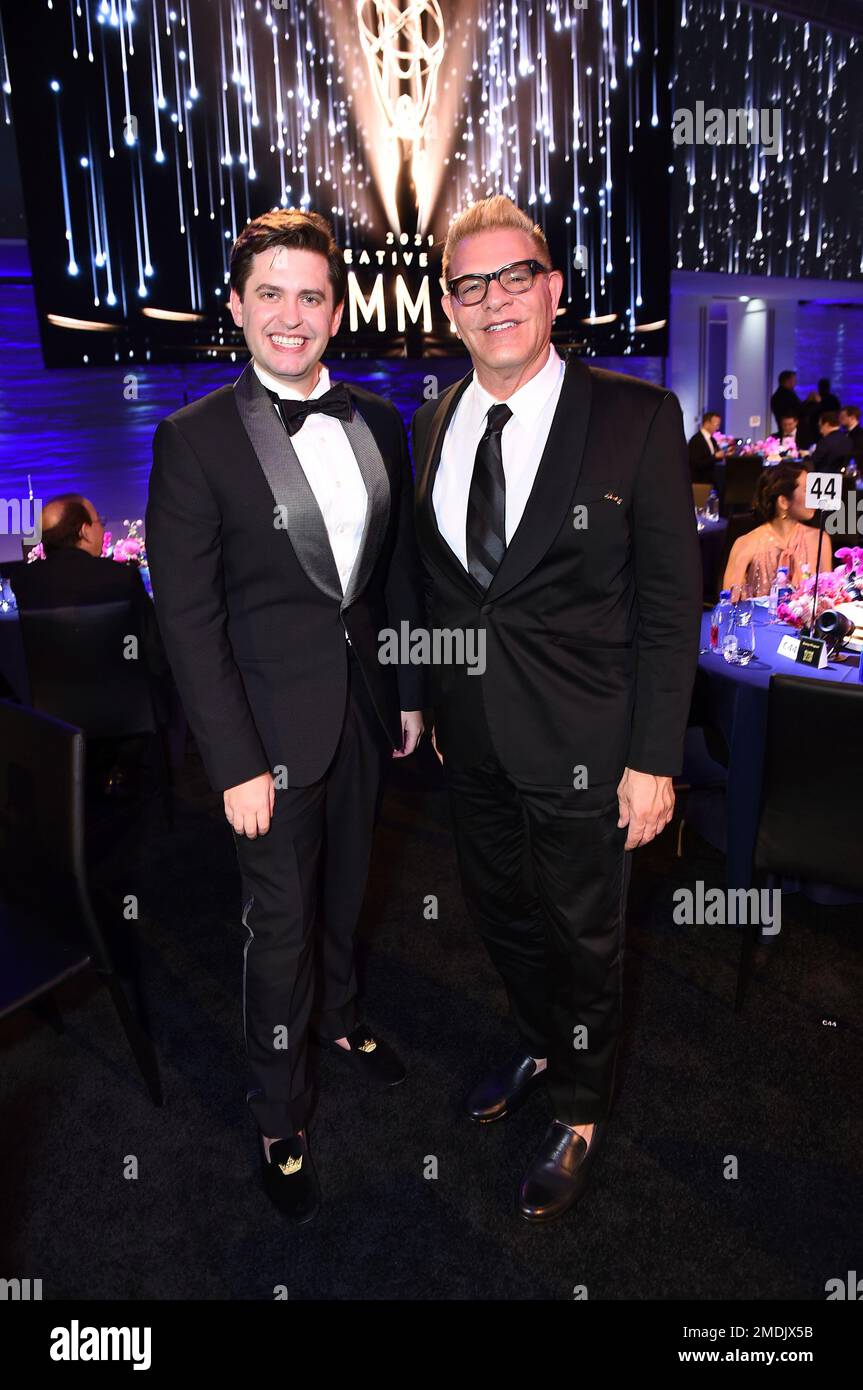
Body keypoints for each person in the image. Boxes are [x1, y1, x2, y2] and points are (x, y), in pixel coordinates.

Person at [411, 196, 701, 1223]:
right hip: (472, 742)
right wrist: (428, 697)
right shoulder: (434, 421)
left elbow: (670, 606)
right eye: (469, 284)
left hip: (590, 748)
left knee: (585, 936)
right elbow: (438, 585)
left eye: (511, 277)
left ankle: (580, 1107)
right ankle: (540, 1039)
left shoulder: (633, 417)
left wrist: (652, 758)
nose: (493, 300)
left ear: (551, 288)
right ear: (449, 306)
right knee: (500, 917)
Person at [145, 209, 426, 1225]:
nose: (291, 314)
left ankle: (342, 1020)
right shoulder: (194, 440)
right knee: (278, 926)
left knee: (351, 884)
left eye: (310, 294)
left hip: (358, 708)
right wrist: (230, 760)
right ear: (236, 307)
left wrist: (402, 690)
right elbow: (187, 617)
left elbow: (386, 575)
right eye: (269, 293)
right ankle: (276, 1110)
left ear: (337, 308)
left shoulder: (375, 418)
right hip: (261, 733)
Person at [10, 493, 166, 682]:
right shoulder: (120, 576)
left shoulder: (23, 581)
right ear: (84, 531)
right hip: (125, 690)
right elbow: (153, 648)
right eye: (99, 521)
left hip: (52, 697)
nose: (101, 527)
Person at [722, 462, 830, 598]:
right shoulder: (746, 544)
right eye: (807, 490)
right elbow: (728, 604)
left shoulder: (820, 540)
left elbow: (828, 598)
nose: (815, 496)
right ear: (783, 501)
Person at [687, 411, 724, 484]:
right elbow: (696, 463)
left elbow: (714, 457)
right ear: (707, 424)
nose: (718, 428)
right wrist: (715, 456)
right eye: (716, 425)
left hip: (710, 479)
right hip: (699, 481)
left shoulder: (712, 439)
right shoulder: (696, 440)